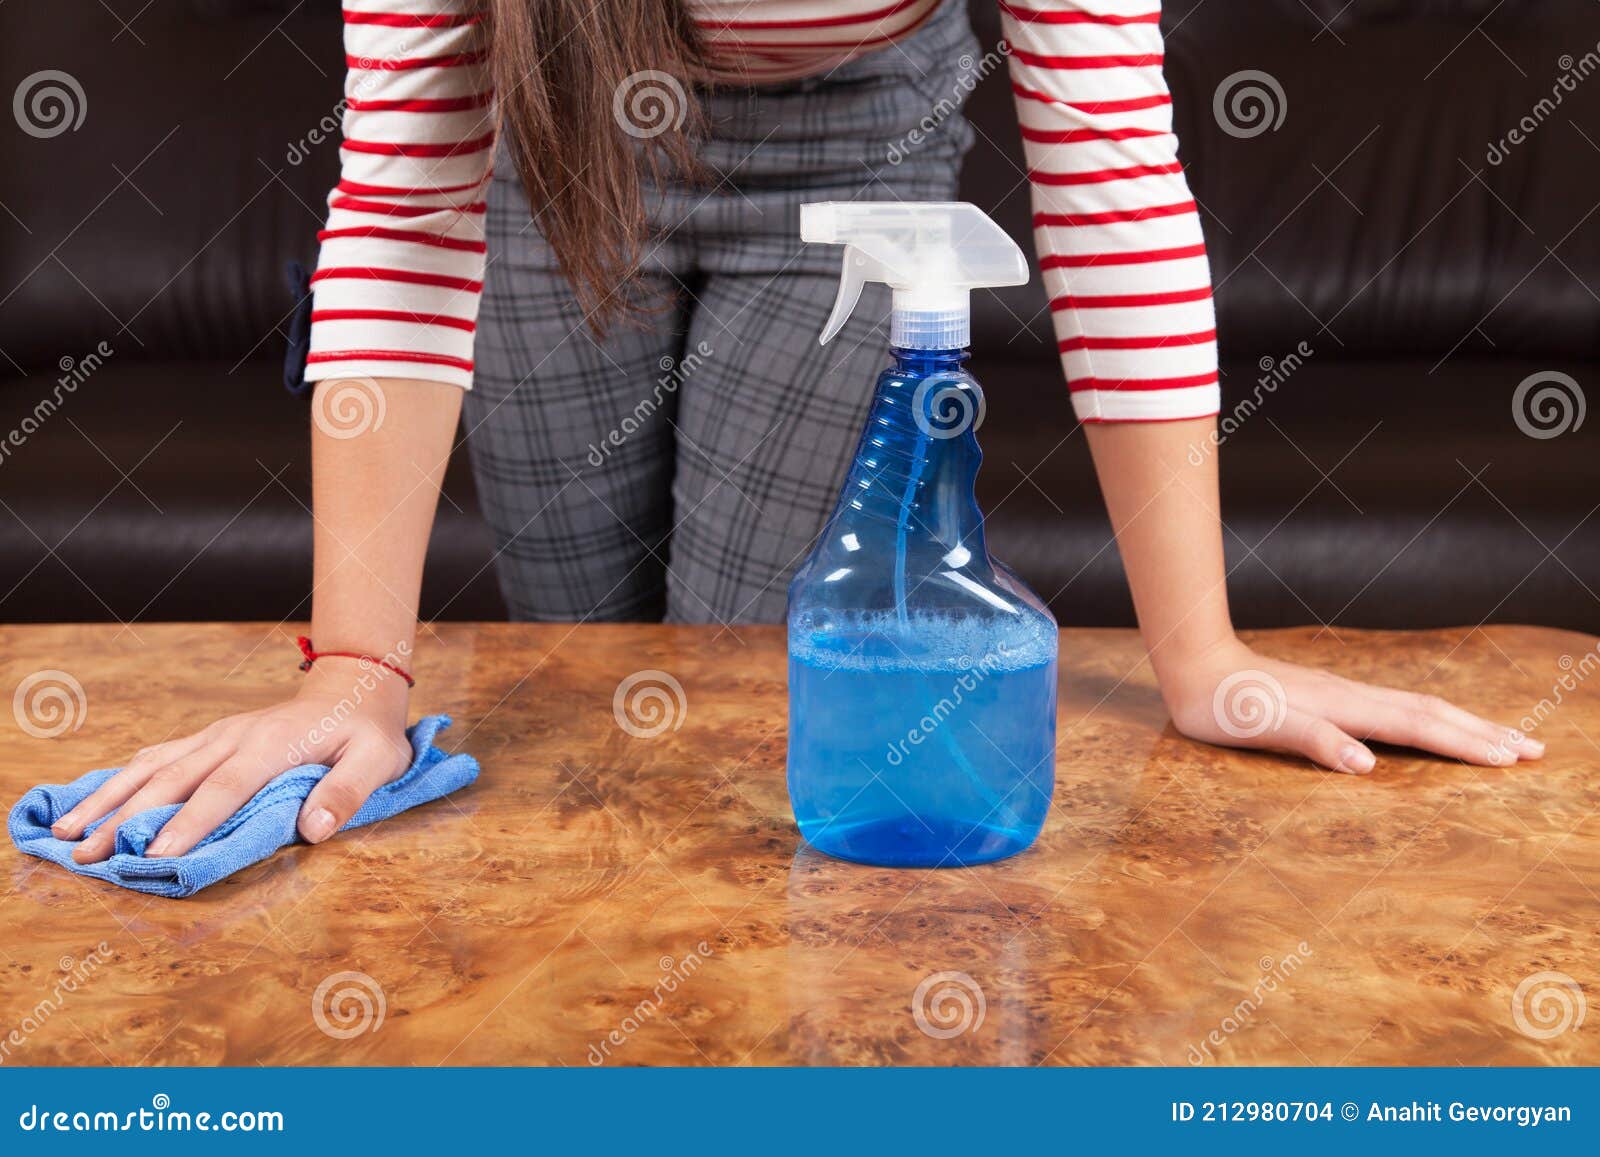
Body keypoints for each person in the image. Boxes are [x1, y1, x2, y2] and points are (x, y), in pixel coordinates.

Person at [55, 0, 1541, 866]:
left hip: (857, 142)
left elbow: (1110, 177)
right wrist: (361, 678)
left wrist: (1203, 658)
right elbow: (405, 205)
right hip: (564, 135)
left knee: (738, 726)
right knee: (599, 731)